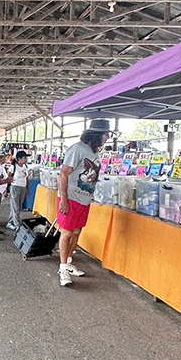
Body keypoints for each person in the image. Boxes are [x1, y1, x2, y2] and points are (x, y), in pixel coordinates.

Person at [56, 118, 110, 287]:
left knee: (77, 232)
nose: (107, 137)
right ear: (97, 135)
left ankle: (68, 260)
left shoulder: (94, 152)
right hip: (70, 198)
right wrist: (64, 199)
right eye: (105, 134)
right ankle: (63, 268)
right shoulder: (78, 149)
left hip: (84, 200)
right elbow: (63, 174)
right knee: (66, 233)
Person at [6, 149, 29, 230]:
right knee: (15, 207)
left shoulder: (25, 167)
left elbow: (26, 179)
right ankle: (17, 224)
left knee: (17, 207)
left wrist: (27, 190)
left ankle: (10, 222)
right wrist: (6, 190)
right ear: (19, 159)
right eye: (24, 158)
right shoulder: (13, 167)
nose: (26, 159)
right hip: (15, 187)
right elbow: (8, 177)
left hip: (22, 187)